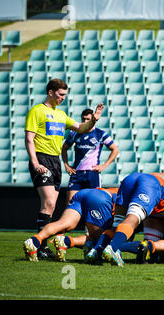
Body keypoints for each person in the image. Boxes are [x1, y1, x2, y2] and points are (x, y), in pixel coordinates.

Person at [25, 78, 104, 259]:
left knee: (50, 207)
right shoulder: (36, 111)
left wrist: (94, 121)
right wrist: (35, 163)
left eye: (65, 95)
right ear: (50, 92)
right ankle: (40, 245)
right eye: (60, 95)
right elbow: (29, 139)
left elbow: (81, 128)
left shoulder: (61, 115)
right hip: (42, 159)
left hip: (55, 162)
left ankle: (41, 247)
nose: (63, 98)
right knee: (49, 203)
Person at [22, 188, 117, 262]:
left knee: (63, 224)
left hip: (83, 193)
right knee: (100, 241)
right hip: (99, 198)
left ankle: (34, 240)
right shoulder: (128, 197)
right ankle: (67, 242)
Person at [62, 108, 119, 204]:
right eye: (83, 119)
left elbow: (115, 149)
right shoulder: (75, 133)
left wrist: (104, 165)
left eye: (88, 119)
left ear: (92, 119)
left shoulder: (100, 134)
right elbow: (64, 148)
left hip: (92, 173)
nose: (85, 121)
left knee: (93, 203)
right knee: (70, 203)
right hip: (76, 173)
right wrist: (66, 165)